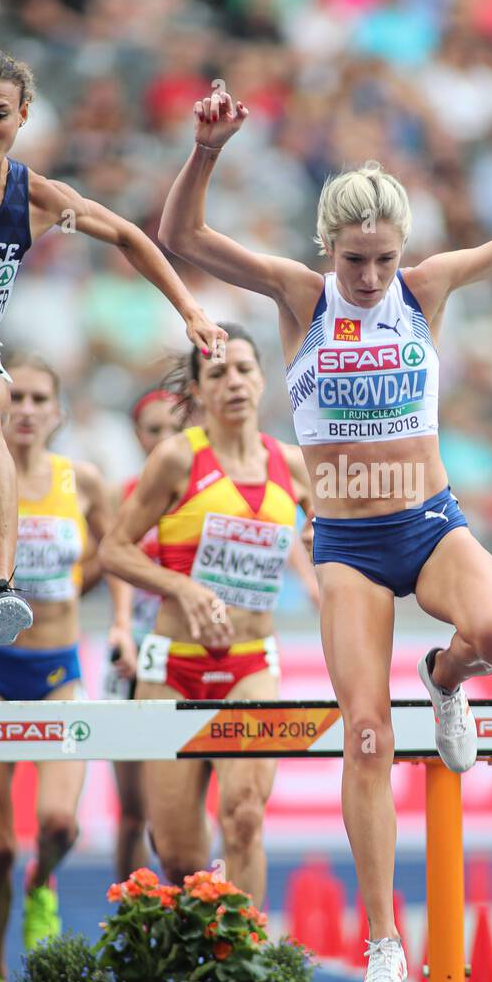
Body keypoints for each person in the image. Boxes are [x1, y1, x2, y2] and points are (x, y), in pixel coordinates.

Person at [157, 87, 492, 982]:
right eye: (355, 260)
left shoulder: (424, 289)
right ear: (328, 251)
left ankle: (444, 677)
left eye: (383, 260)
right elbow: (184, 238)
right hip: (349, 543)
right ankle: (386, 942)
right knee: (364, 733)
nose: (368, 277)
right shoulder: (300, 296)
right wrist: (206, 152)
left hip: (428, 520)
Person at [0, 47, 222, 651]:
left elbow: (125, 234)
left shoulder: (37, 199)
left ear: (23, 117)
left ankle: (2, 588)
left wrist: (190, 309)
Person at [100, 324, 315, 908]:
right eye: (218, 373)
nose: (235, 382)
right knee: (177, 852)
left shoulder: (292, 466)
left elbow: (334, 539)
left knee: (244, 816)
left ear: (263, 380)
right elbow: (113, 550)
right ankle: (194, 961)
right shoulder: (176, 459)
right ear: (198, 390)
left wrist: (323, 548)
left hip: (250, 664)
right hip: (171, 668)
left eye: (245, 369)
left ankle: (247, 967)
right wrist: (183, 589)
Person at [0, 354, 114, 982]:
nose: (31, 410)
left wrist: (101, 604)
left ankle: (42, 885)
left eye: (43, 398)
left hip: (57, 671)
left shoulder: (87, 482)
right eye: (22, 399)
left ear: (60, 412)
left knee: (60, 822)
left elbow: (118, 556)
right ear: (2, 410)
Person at [104, 387, 182, 879]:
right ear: (137, 437)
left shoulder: (209, 492)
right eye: (154, 431)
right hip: (130, 652)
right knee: (134, 812)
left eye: (175, 429)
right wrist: (120, 627)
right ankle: (131, 932)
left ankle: (192, 924)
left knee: (172, 816)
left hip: (187, 655)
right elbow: (112, 564)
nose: (165, 440)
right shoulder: (122, 496)